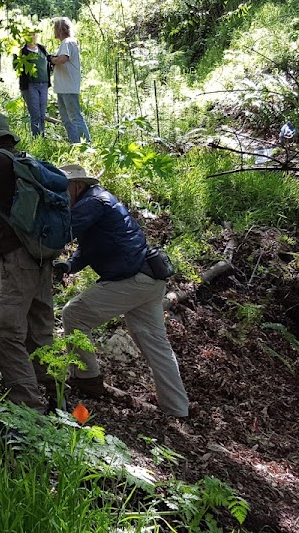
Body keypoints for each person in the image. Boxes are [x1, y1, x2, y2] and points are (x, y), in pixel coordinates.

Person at [53, 164, 189, 418]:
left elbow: (61, 232)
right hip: (149, 278)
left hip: (132, 279)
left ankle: (86, 378)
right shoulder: (99, 200)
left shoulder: (91, 202)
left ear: (78, 186)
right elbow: (89, 247)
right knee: (156, 346)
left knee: (74, 314)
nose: (59, 192)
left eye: (63, 187)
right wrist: (69, 265)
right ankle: (177, 408)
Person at [0, 114, 55, 411]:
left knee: (8, 332)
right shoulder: (27, 162)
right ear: (10, 139)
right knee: (41, 328)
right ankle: (56, 394)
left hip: (16, 255)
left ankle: (28, 406)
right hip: (43, 253)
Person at [49, 17, 92, 143]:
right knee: (66, 118)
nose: (54, 31)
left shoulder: (67, 42)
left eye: (55, 28)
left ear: (60, 29)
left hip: (68, 87)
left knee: (74, 117)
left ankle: (86, 145)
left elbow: (63, 59)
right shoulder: (69, 42)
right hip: (63, 87)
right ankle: (75, 143)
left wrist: (51, 59)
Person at [17, 33, 52, 137]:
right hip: (30, 85)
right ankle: (36, 137)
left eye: (34, 34)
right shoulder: (22, 52)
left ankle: (42, 137)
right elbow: (17, 67)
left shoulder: (42, 49)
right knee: (35, 114)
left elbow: (48, 63)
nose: (32, 36)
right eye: (29, 34)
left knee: (42, 114)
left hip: (44, 84)